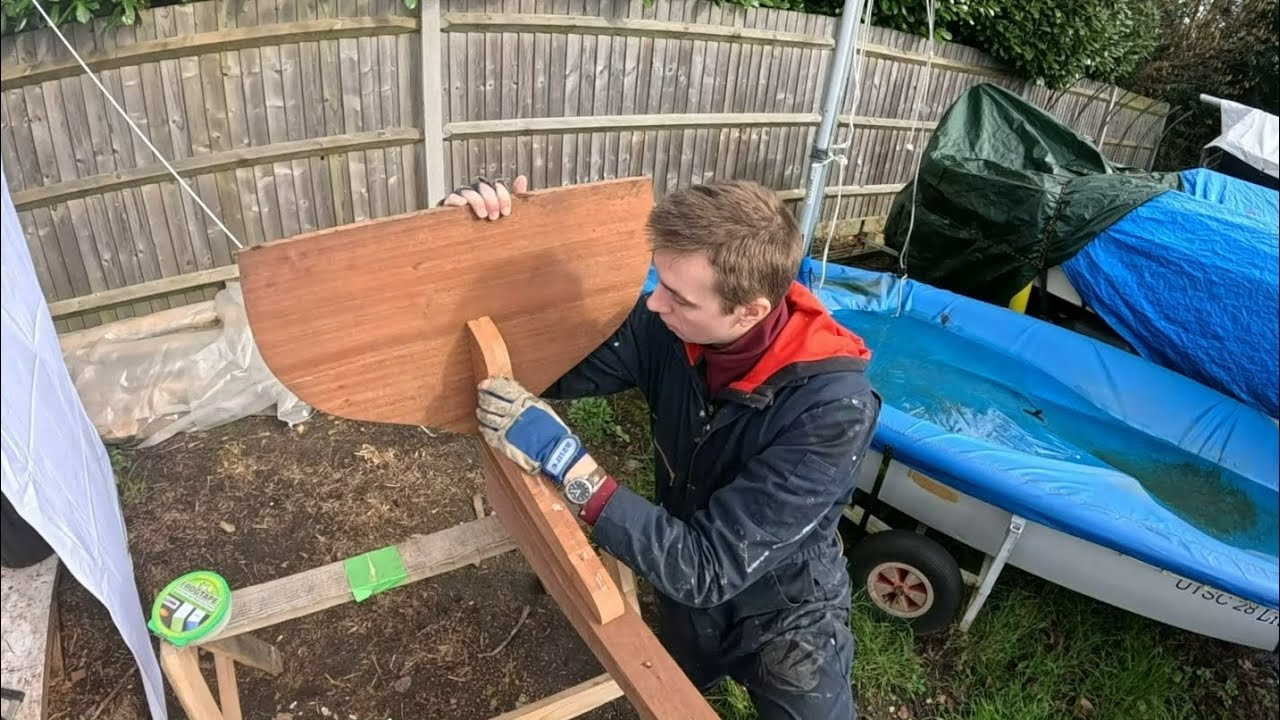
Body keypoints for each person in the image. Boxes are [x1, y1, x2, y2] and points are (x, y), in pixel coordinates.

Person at [444, 175, 880, 720]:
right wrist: (470, 247)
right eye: (660, 280)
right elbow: (548, 362)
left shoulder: (832, 409)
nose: (652, 304)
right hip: (680, 591)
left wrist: (567, 464)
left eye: (677, 295)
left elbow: (707, 568)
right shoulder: (672, 330)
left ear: (749, 310)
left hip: (785, 613)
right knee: (677, 694)